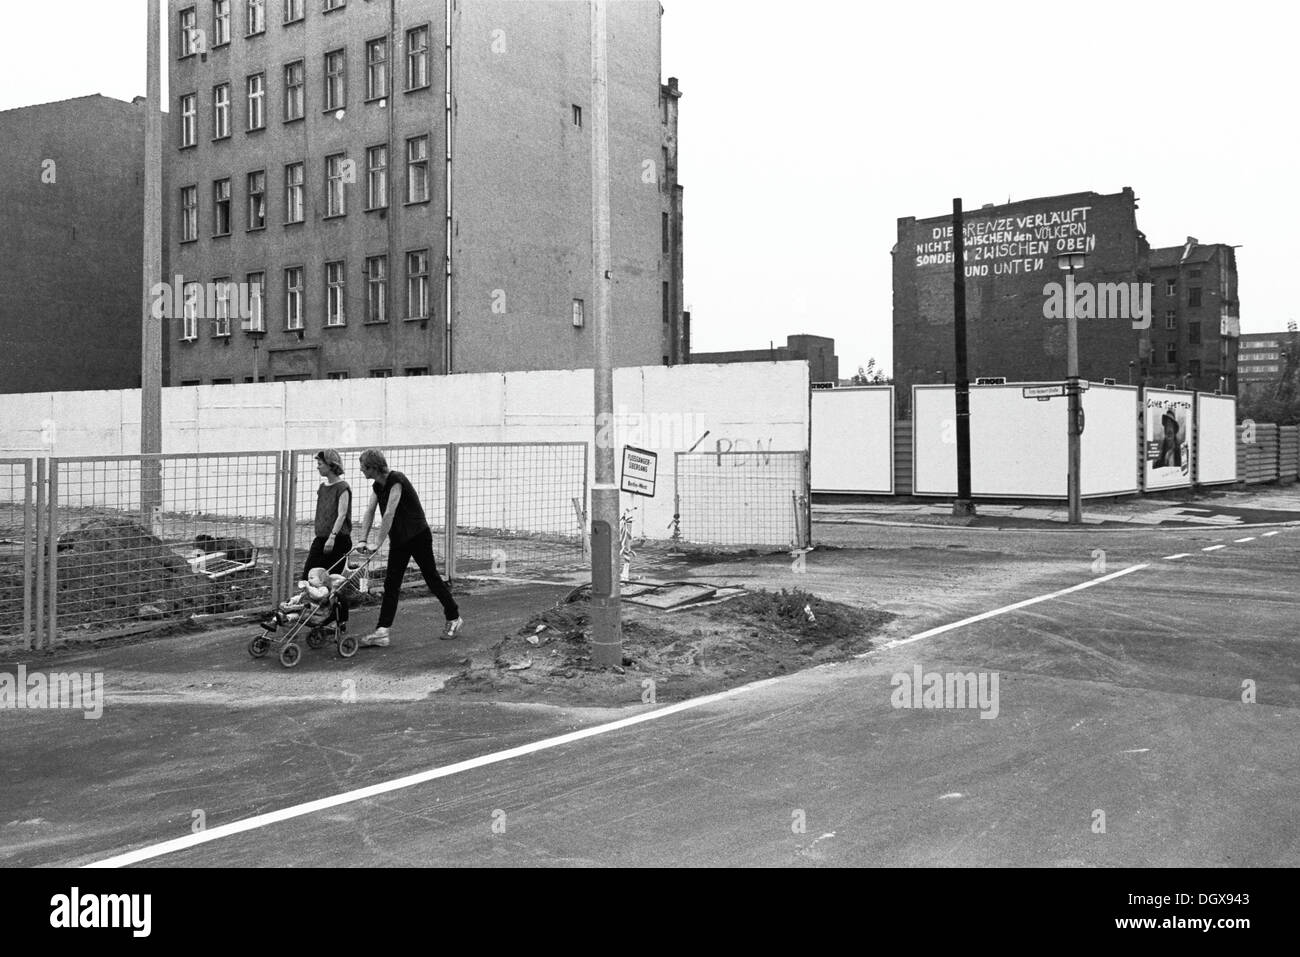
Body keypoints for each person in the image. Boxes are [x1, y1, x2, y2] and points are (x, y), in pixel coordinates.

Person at [356, 448, 463, 647]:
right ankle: (382, 631)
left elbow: (389, 513)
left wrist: (377, 543)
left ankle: (454, 617)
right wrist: (362, 539)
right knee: (391, 584)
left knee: (431, 578)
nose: (361, 470)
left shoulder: (397, 480)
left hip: (418, 536)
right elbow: (370, 511)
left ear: (372, 467)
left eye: (363, 466)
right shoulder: (377, 487)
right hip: (399, 540)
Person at [302, 449, 353, 630]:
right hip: (321, 538)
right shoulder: (323, 488)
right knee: (309, 577)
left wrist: (332, 537)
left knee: (332, 582)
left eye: (320, 464)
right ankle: (312, 614)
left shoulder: (342, 488)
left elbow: (341, 514)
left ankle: (340, 619)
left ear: (331, 466)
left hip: (338, 540)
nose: (318, 467)